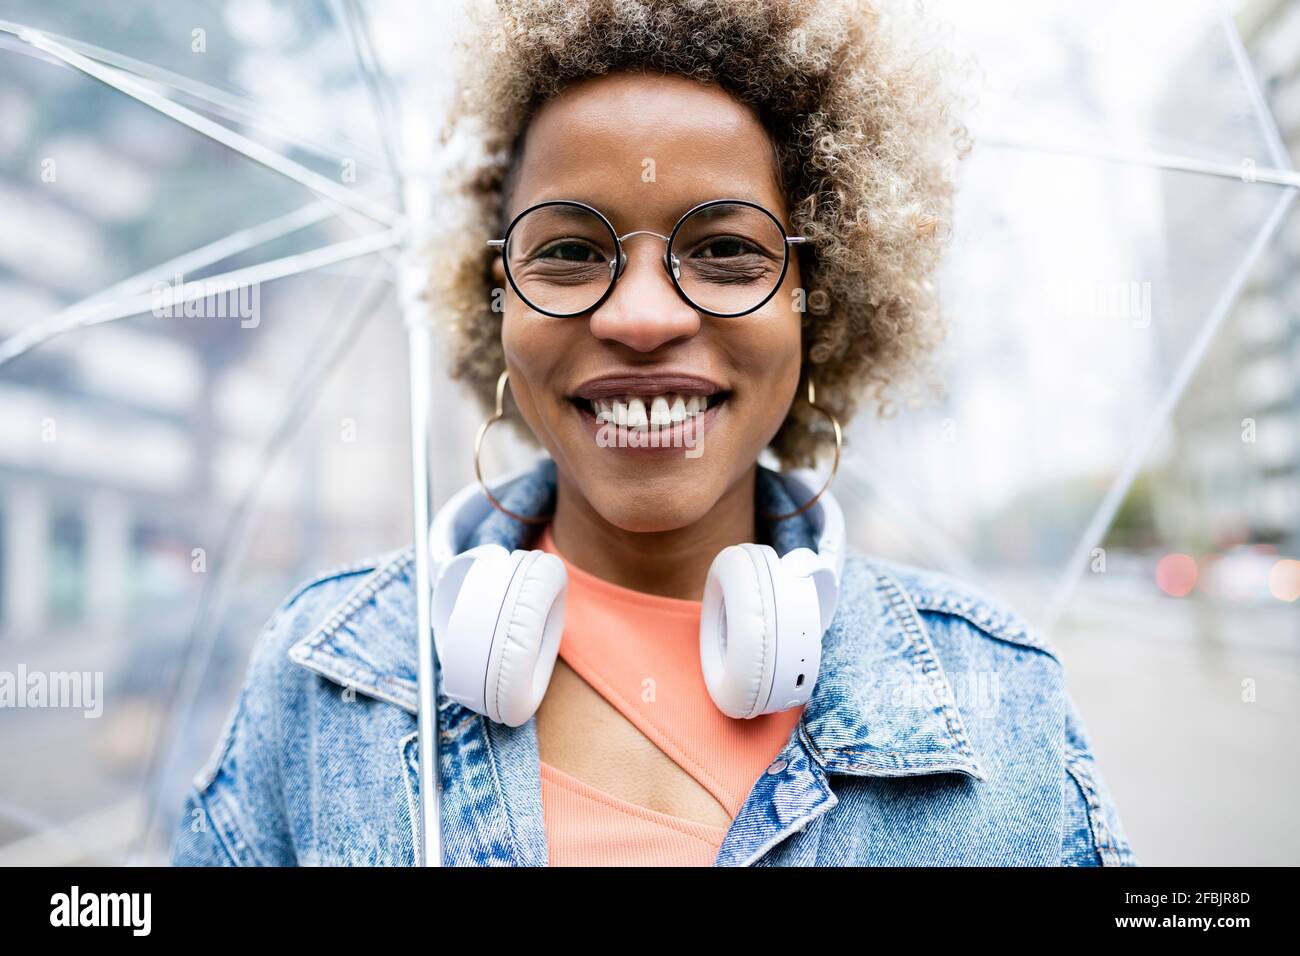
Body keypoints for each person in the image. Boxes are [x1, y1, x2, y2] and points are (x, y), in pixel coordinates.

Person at [170, 0, 1136, 867]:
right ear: (492, 293)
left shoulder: (1000, 703)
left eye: (724, 250)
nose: (638, 317)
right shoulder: (324, 677)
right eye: (570, 251)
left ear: (819, 294)